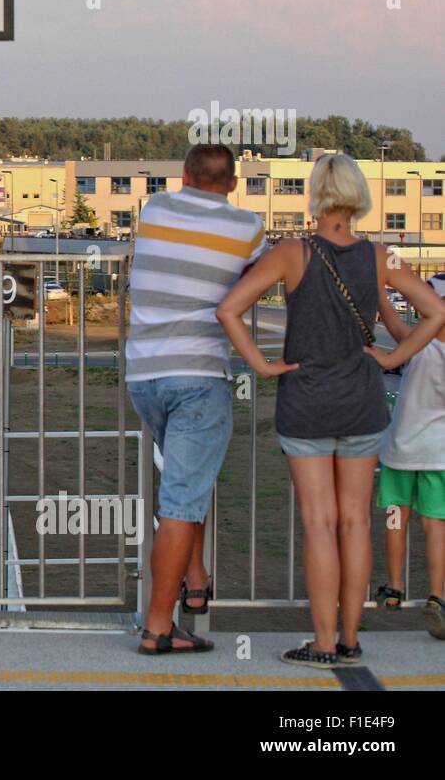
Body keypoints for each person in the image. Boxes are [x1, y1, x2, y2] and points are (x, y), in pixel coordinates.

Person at [217, 154, 445, 668]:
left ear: (316, 194)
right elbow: (435, 313)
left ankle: (322, 643)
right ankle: (349, 638)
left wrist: (263, 365)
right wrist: (392, 357)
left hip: (307, 402)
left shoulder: (291, 254)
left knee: (318, 524)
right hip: (362, 404)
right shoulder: (381, 256)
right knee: (354, 524)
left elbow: (229, 309)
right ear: (359, 195)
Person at [128, 143, 266, 655]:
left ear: (184, 175)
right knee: (182, 499)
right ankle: (158, 627)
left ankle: (197, 579)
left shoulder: (156, 209)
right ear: (232, 183)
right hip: (199, 375)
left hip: (144, 376)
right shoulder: (249, 227)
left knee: (187, 481)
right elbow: (252, 284)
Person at [374, 274, 445, 637]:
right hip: (440, 455)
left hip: (401, 448)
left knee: (394, 517)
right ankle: (437, 595)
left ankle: (394, 587)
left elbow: (391, 320)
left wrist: (380, 291)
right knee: (435, 524)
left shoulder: (418, 344)